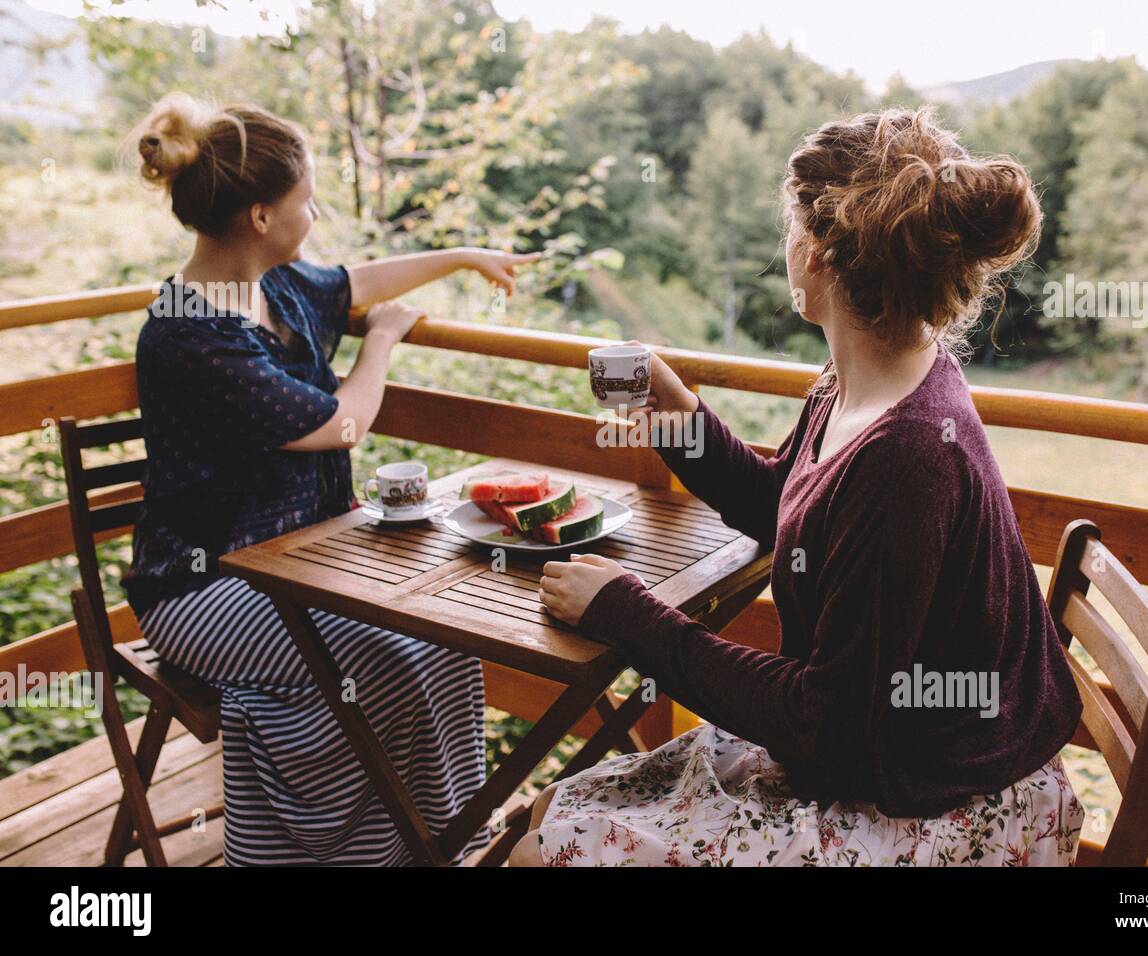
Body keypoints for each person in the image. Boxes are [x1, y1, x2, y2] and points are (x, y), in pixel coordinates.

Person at [514, 106, 1086, 867]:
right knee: (551, 809)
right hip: (881, 755)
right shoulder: (871, 378)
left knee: (541, 850)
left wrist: (630, 616)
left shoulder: (909, 455)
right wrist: (675, 412)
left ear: (818, 254)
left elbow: (826, 718)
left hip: (937, 801)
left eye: (789, 227)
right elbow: (783, 508)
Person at [122, 92, 538, 865]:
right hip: (200, 588)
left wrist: (462, 256)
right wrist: (378, 344)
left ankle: (444, 841)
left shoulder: (274, 286)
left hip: (306, 560)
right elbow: (340, 424)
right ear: (259, 216)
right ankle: (367, 852)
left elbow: (353, 282)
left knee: (446, 643)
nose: (312, 215)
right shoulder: (191, 334)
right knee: (376, 659)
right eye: (305, 201)